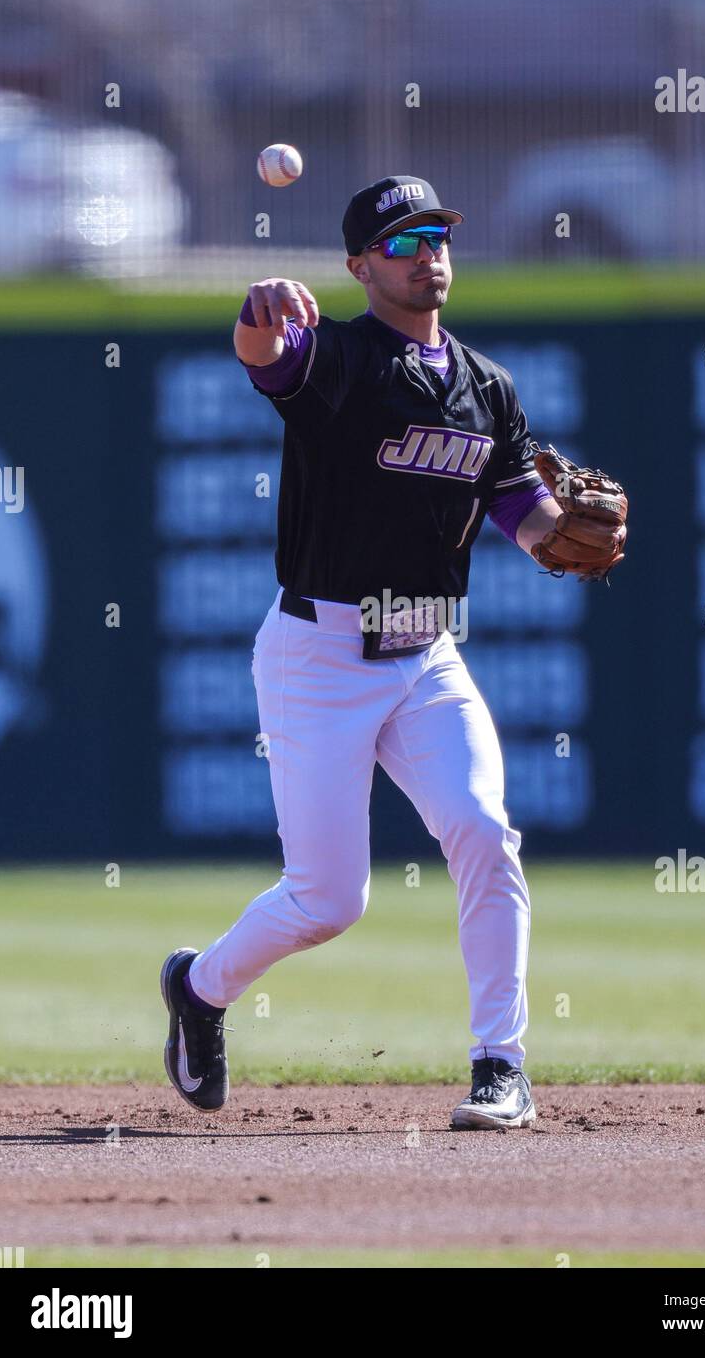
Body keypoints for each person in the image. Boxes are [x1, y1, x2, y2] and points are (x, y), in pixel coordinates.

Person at [161, 175, 622, 1129]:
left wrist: (567, 539)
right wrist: (259, 312)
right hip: (316, 655)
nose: (428, 253)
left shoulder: (487, 388)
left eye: (438, 235)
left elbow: (520, 513)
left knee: (485, 831)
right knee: (329, 901)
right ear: (360, 265)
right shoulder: (337, 358)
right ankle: (199, 990)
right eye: (404, 239)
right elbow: (266, 360)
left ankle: (501, 1064)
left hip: (427, 657)